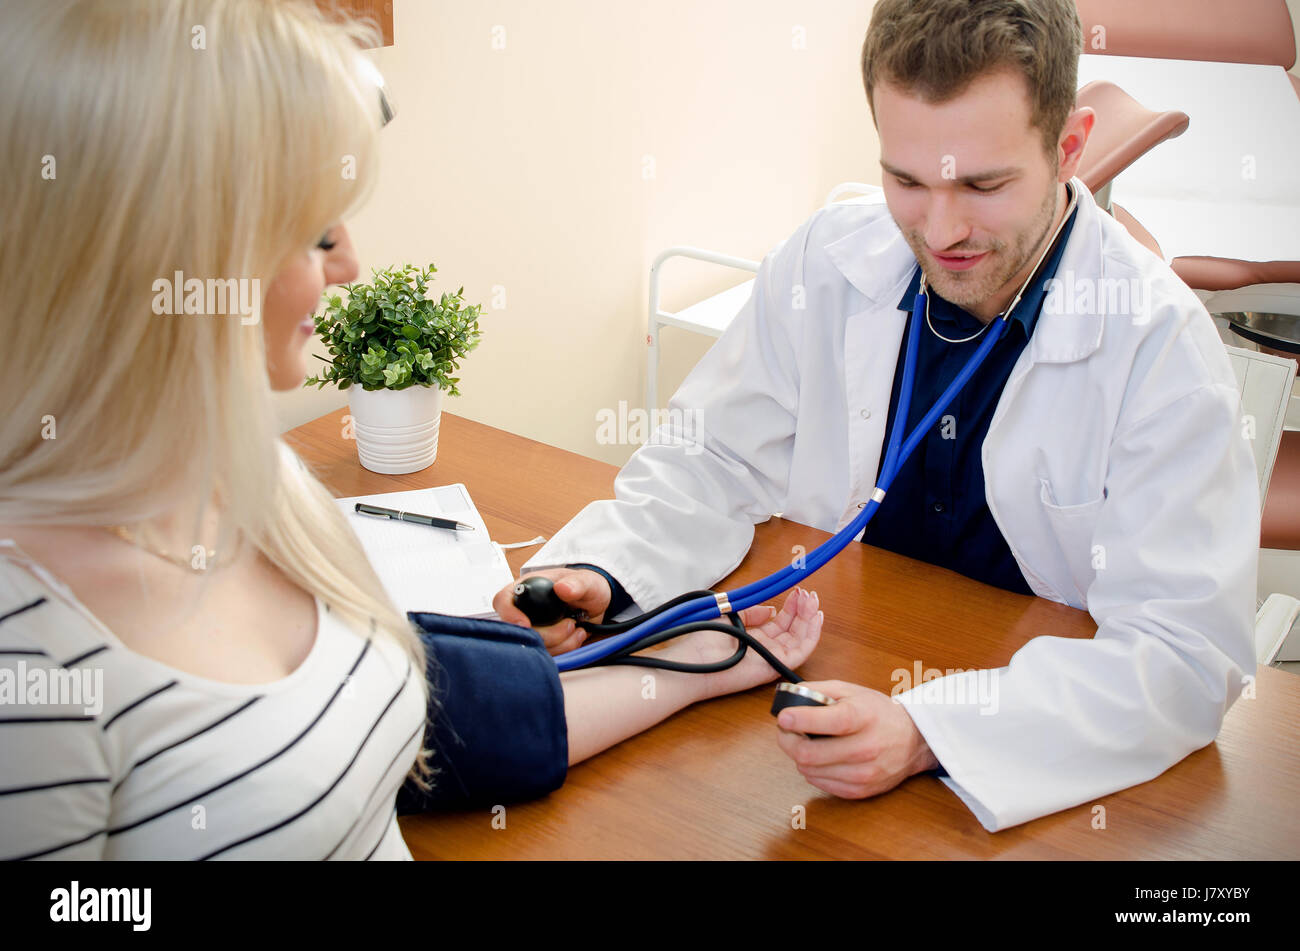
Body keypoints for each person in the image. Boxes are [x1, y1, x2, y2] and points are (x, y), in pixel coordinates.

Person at [0, 0, 822, 861]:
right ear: (176, 256)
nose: (350, 263)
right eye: (315, 230)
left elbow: (425, 722)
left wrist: (697, 661)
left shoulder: (257, 486)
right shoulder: (33, 650)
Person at [495, 0, 1260, 833]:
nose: (940, 230)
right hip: (810, 699)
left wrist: (931, 730)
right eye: (907, 180)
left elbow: (1182, 658)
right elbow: (708, 458)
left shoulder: (1160, 348)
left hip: (1022, 777)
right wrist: (607, 576)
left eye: (983, 183)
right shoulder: (830, 259)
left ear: (1068, 148)